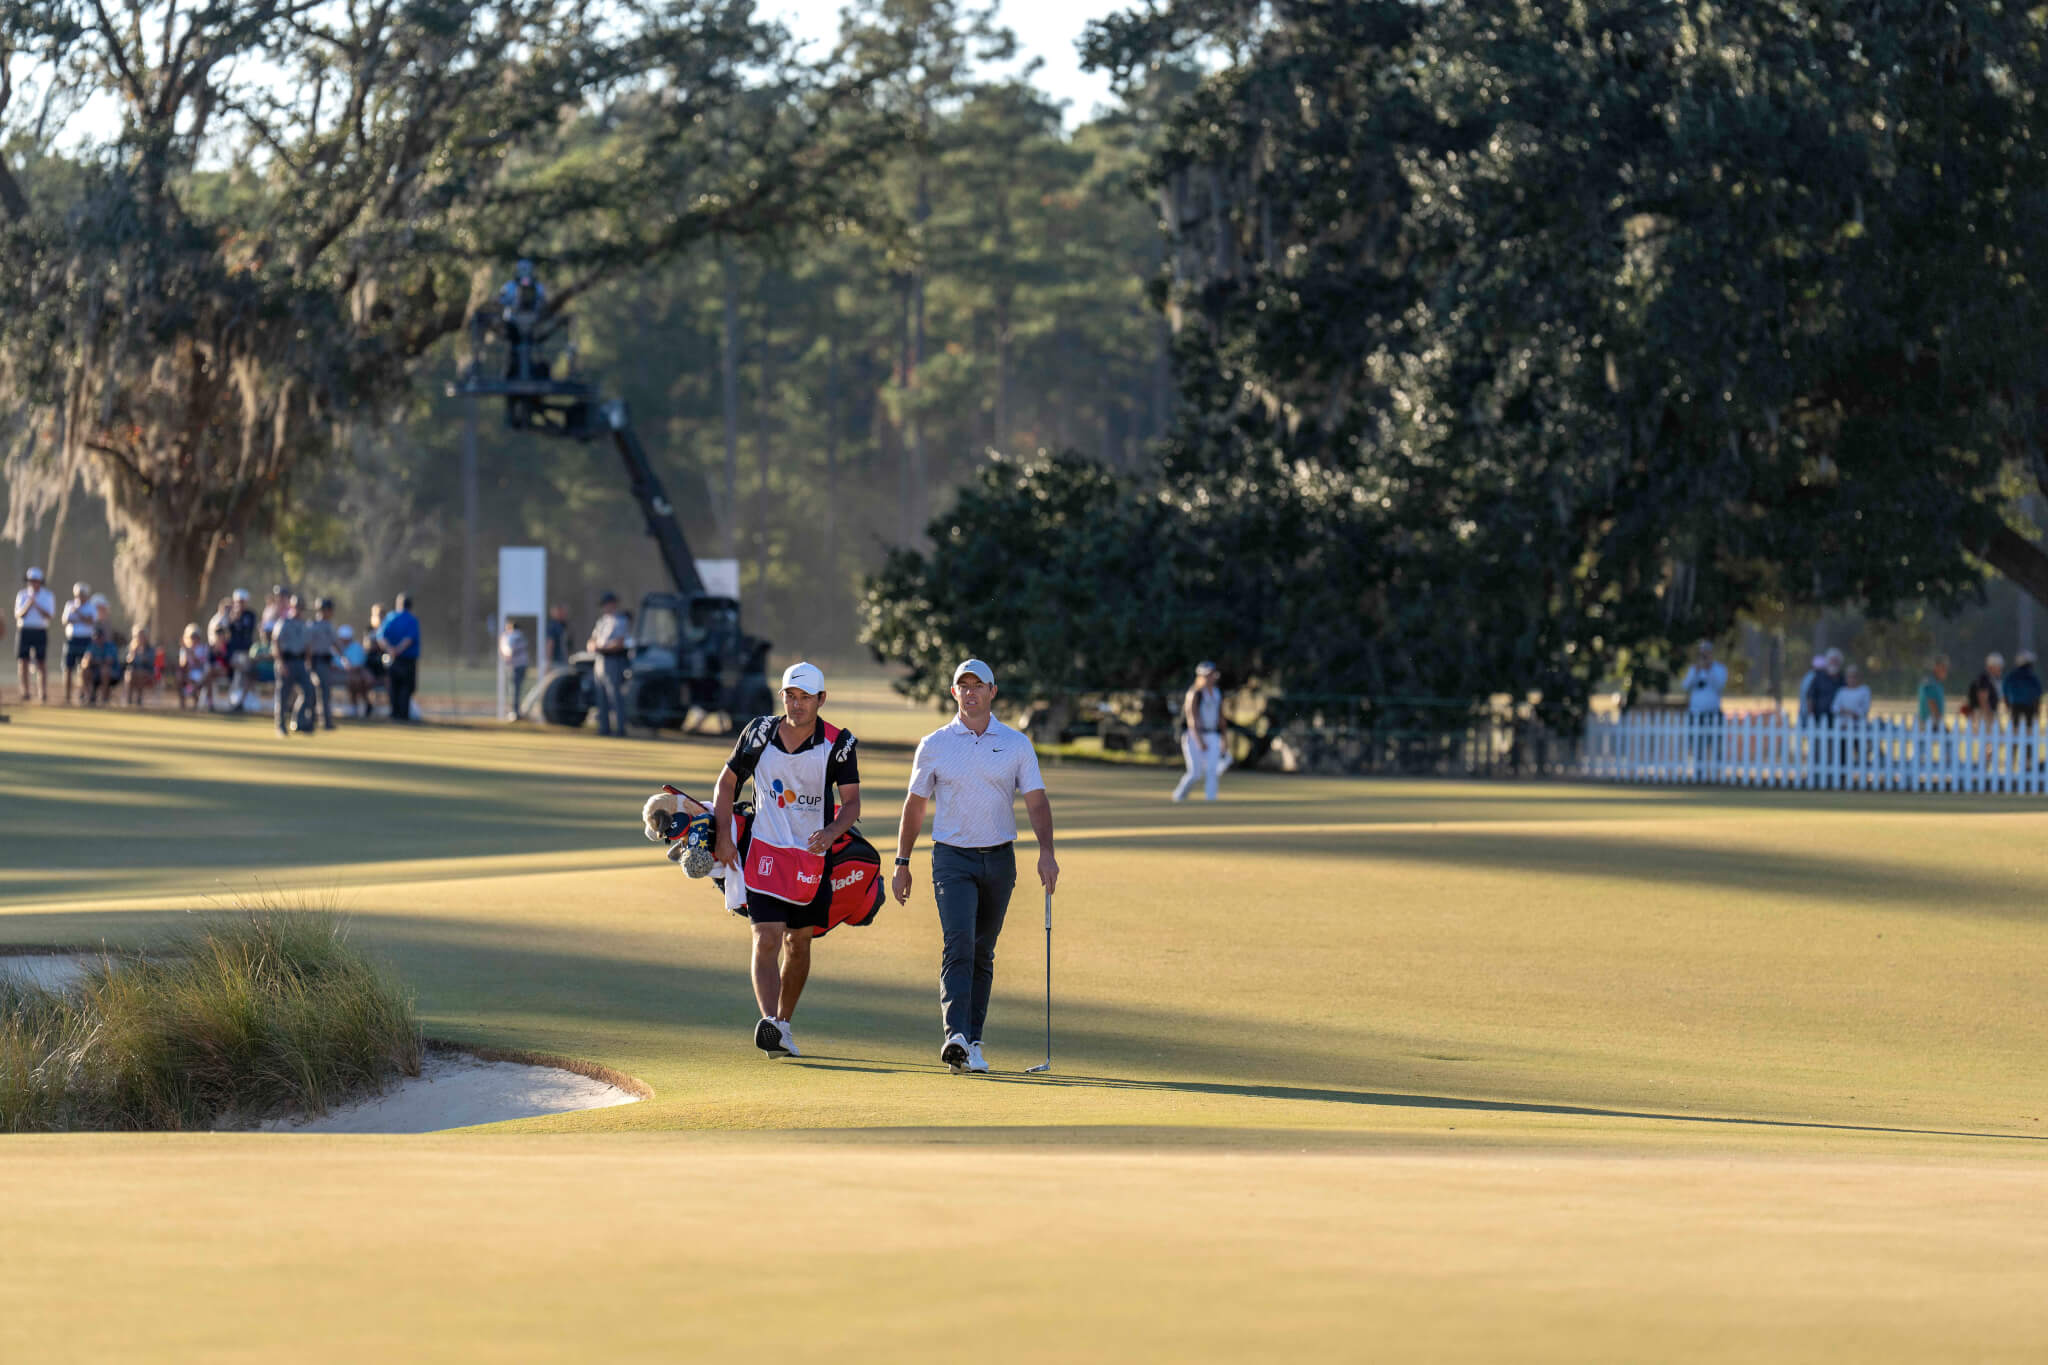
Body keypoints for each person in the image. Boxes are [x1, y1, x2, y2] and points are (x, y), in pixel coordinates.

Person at [892, 659, 1059, 1075]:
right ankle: (956, 1037)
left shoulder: (1016, 744)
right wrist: (902, 861)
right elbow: (915, 805)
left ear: (992, 691)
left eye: (977, 686)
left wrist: (1047, 851)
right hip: (952, 858)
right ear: (954, 693)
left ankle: (974, 1042)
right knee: (959, 945)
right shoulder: (935, 744)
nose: (970, 693)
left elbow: (1036, 801)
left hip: (1000, 859)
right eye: (962, 686)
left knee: (983, 952)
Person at [710, 662, 862, 1059]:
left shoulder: (839, 743)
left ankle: (784, 1023)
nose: (796, 705)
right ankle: (770, 1022)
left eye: (805, 697)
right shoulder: (759, 733)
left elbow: (851, 804)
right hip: (764, 850)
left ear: (821, 699)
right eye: (790, 696)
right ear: (782, 697)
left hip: (812, 859)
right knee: (766, 937)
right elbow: (727, 783)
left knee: (798, 942)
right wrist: (724, 837)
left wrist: (832, 832)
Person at [1172, 661, 1230, 802]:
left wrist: (1224, 739)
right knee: (1195, 773)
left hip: (1212, 734)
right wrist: (1199, 740)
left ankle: (1211, 799)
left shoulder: (1217, 693)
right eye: (1207, 675)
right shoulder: (1195, 693)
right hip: (1194, 736)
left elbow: (1221, 718)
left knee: (1212, 770)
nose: (1210, 678)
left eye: (1212, 674)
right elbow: (1192, 718)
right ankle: (1179, 796)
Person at [586, 592, 634, 738]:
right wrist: (593, 646)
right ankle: (604, 728)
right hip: (600, 660)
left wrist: (602, 648)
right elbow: (592, 639)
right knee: (601, 695)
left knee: (614, 695)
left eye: (607, 604)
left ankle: (620, 728)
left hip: (614, 660)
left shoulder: (620, 620)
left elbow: (619, 642)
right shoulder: (602, 621)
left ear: (613, 604)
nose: (605, 608)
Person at [268, 593, 317, 736]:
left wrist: (308, 663)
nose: (299, 610)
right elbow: (275, 642)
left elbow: (308, 646)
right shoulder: (284, 622)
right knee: (283, 695)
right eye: (297, 607)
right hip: (286, 661)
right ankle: (280, 725)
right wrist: (280, 662)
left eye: (301, 607)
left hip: (300, 662)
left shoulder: (304, 625)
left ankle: (298, 720)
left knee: (309, 691)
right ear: (291, 607)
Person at [376, 593, 421, 722]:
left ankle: (394, 714)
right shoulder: (412, 620)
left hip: (391, 659)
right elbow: (409, 639)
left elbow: (381, 637)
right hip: (407, 659)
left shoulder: (390, 617)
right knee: (406, 687)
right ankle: (403, 715)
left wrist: (390, 650)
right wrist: (398, 650)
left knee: (393, 686)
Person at [15, 566, 54, 703]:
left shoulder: (47, 595)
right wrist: (28, 604)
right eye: (31, 580)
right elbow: (18, 615)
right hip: (24, 630)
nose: (33, 583)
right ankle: (25, 691)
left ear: (40, 581)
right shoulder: (22, 595)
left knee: (41, 662)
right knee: (23, 661)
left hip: (40, 630)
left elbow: (49, 615)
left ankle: (42, 692)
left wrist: (36, 604)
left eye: (35, 580)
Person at [59, 582, 100, 706]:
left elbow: (91, 621)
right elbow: (65, 620)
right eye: (78, 594)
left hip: (86, 640)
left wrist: (78, 614)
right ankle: (67, 697)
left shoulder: (91, 607)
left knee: (85, 669)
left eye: (82, 594)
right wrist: (79, 617)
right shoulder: (69, 604)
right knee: (68, 668)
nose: (80, 597)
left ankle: (85, 694)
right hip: (72, 639)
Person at [305, 598, 342, 731]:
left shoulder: (329, 625)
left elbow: (335, 644)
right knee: (314, 692)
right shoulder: (313, 625)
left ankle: (325, 721)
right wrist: (308, 663)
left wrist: (343, 657)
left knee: (325, 692)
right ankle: (310, 719)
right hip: (315, 661)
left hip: (325, 662)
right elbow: (308, 646)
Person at [221, 588, 259, 706]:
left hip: (246, 653)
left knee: (247, 670)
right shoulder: (229, 614)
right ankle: (236, 698)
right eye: (238, 601)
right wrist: (232, 617)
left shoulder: (250, 615)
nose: (240, 604)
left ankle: (241, 699)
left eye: (242, 602)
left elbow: (248, 631)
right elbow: (224, 630)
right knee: (241, 670)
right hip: (232, 654)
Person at [499, 617, 531, 719]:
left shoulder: (511, 636)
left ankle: (514, 712)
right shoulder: (521, 635)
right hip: (523, 664)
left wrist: (507, 659)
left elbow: (509, 651)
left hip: (515, 666)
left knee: (514, 690)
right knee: (517, 688)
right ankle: (516, 711)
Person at [2003, 649, 2042, 729]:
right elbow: (2038, 691)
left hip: (2015, 704)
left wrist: (2007, 702)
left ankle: (2015, 737)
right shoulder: (2031, 676)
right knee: (2029, 727)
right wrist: (2037, 705)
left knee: (2015, 727)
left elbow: (2005, 689)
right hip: (2029, 705)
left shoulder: (2012, 675)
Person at [338, 625, 372, 716]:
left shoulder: (356, 647)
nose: (344, 641)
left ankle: (360, 705)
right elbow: (334, 664)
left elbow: (358, 665)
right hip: (341, 674)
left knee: (358, 680)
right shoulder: (337, 647)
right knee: (354, 679)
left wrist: (351, 669)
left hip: (357, 673)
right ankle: (360, 704)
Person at [1968, 652, 2005, 727]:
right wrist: (1989, 716)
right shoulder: (1984, 679)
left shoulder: (1993, 679)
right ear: (1991, 666)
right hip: (1983, 714)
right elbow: (1983, 699)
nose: (2001, 669)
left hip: (1987, 713)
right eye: (1999, 666)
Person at [122, 624, 154, 707]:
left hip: (147, 673)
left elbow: (150, 663)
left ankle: (139, 699)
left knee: (140, 673)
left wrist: (143, 655)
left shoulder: (150, 649)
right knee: (130, 674)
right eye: (138, 636)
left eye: (142, 636)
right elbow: (127, 662)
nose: (140, 638)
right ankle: (129, 699)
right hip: (133, 673)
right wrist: (133, 653)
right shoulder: (131, 648)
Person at [1917, 654, 1950, 727]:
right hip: (1929, 724)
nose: (1946, 671)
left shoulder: (1937, 684)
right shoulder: (1930, 682)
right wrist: (1938, 723)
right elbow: (1931, 702)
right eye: (1943, 668)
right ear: (1936, 668)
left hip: (1933, 722)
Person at [545, 604, 571, 670]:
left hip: (562, 661)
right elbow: (550, 643)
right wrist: (549, 662)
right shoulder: (553, 626)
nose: (565, 615)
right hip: (556, 662)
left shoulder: (562, 625)